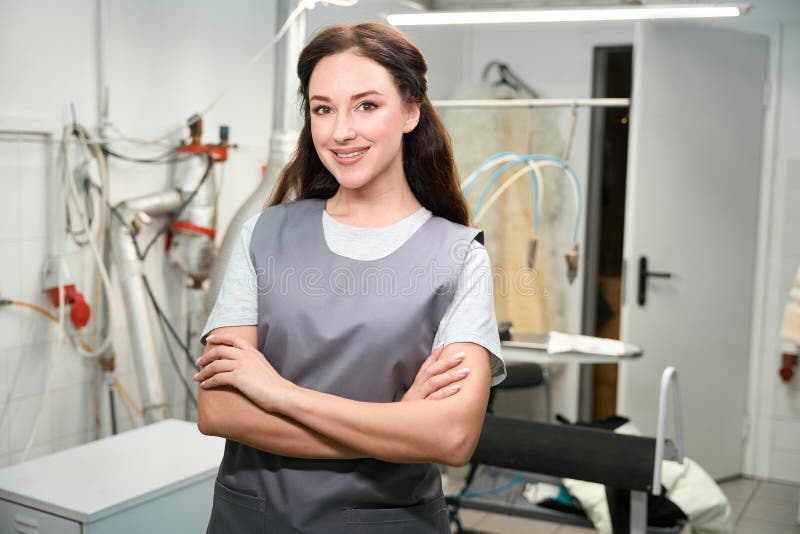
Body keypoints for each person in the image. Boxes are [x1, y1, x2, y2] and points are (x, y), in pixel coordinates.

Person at [195, 22, 506, 533]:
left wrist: (279, 394)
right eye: (323, 108)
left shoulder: (458, 257)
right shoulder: (263, 235)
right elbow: (219, 411)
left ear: (410, 111)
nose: (341, 131)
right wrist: (397, 425)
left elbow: (450, 439)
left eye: (366, 105)